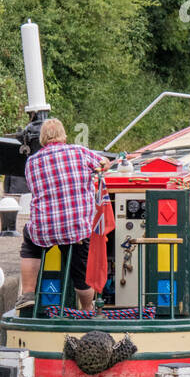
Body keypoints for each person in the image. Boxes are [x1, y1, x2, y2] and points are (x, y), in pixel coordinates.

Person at [17, 119, 111, 312]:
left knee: (29, 244)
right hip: (77, 228)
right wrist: (103, 165)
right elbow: (104, 164)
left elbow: (34, 188)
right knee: (81, 270)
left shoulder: (31, 162)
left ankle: (27, 293)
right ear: (63, 136)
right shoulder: (79, 152)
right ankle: (87, 308)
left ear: (42, 139)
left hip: (45, 229)